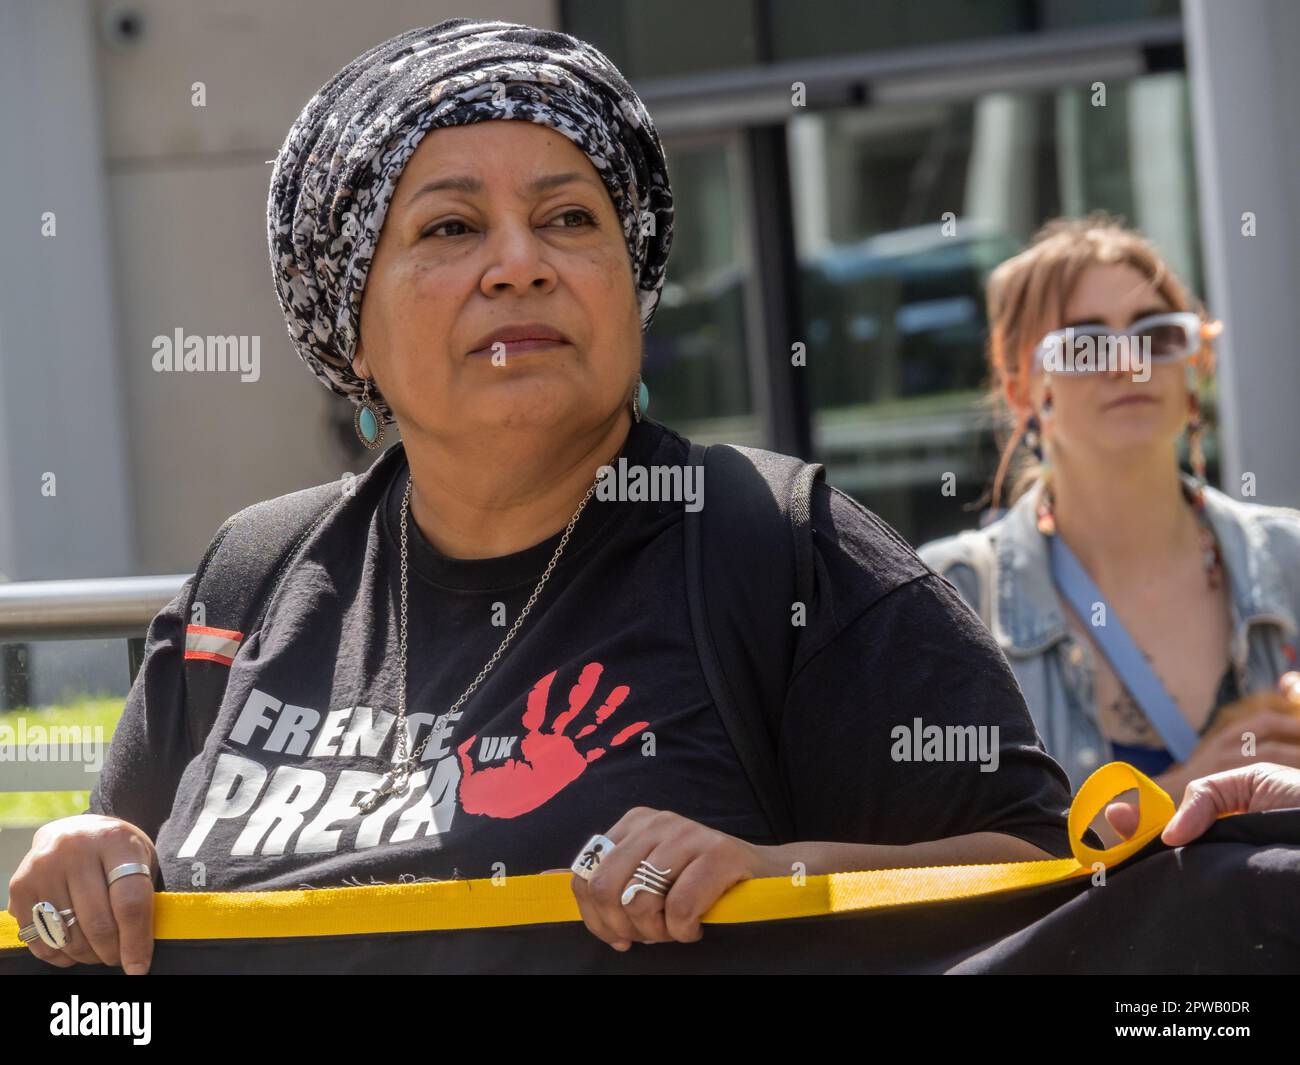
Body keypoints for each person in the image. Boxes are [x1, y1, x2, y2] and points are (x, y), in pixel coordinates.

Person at [5, 19, 1071, 976]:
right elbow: (105, 927)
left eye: (568, 218)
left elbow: (1042, 875)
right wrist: (80, 869)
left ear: (630, 276)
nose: (521, 265)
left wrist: (777, 875)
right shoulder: (254, 577)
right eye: (449, 229)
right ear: (350, 322)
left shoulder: (781, 552)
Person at [918, 216, 1300, 810]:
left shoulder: (1290, 558)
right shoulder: (950, 598)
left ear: (1192, 367)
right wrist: (1172, 797)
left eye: (1156, 335)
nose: (1129, 362)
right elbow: (952, 866)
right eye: (1084, 343)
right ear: (1022, 388)